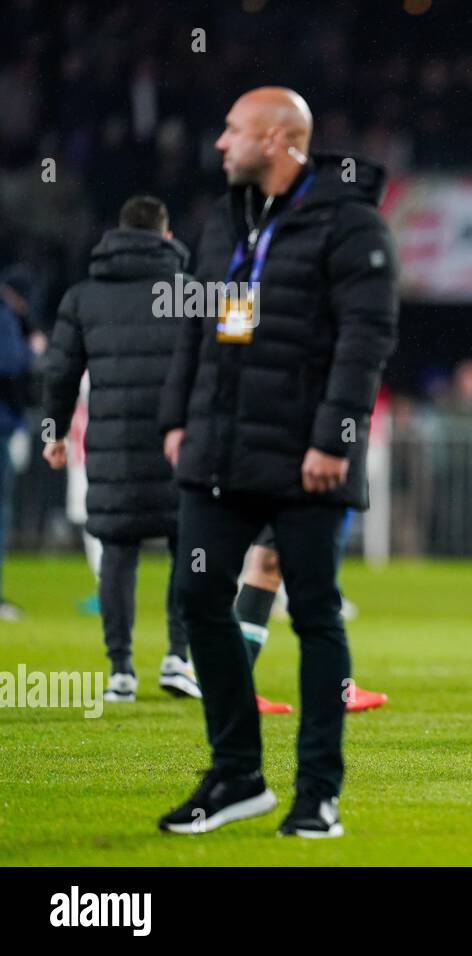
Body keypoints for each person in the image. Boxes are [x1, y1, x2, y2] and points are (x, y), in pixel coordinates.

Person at [156, 87, 398, 836]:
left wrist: (334, 438)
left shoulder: (350, 223)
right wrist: (175, 419)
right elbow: (200, 324)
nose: (221, 144)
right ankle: (237, 776)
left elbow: (366, 337)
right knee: (198, 602)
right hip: (221, 452)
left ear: (277, 139)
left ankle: (317, 793)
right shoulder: (226, 220)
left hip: (305, 460)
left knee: (317, 616)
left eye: (233, 130)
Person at [42, 195, 201, 702]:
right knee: (189, 549)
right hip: (182, 442)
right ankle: (179, 657)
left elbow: (60, 375)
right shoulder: (189, 294)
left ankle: (120, 670)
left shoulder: (83, 297)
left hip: (113, 448)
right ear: (167, 237)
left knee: (117, 551)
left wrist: (55, 433)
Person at [235, 517, 387, 715]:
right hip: (294, 490)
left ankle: (234, 690)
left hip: (296, 490)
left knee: (274, 559)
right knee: (278, 560)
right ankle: (236, 691)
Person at [0, 265, 40, 621]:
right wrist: (33, 352)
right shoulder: (5, 317)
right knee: (1, 509)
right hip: (1, 425)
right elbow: (11, 363)